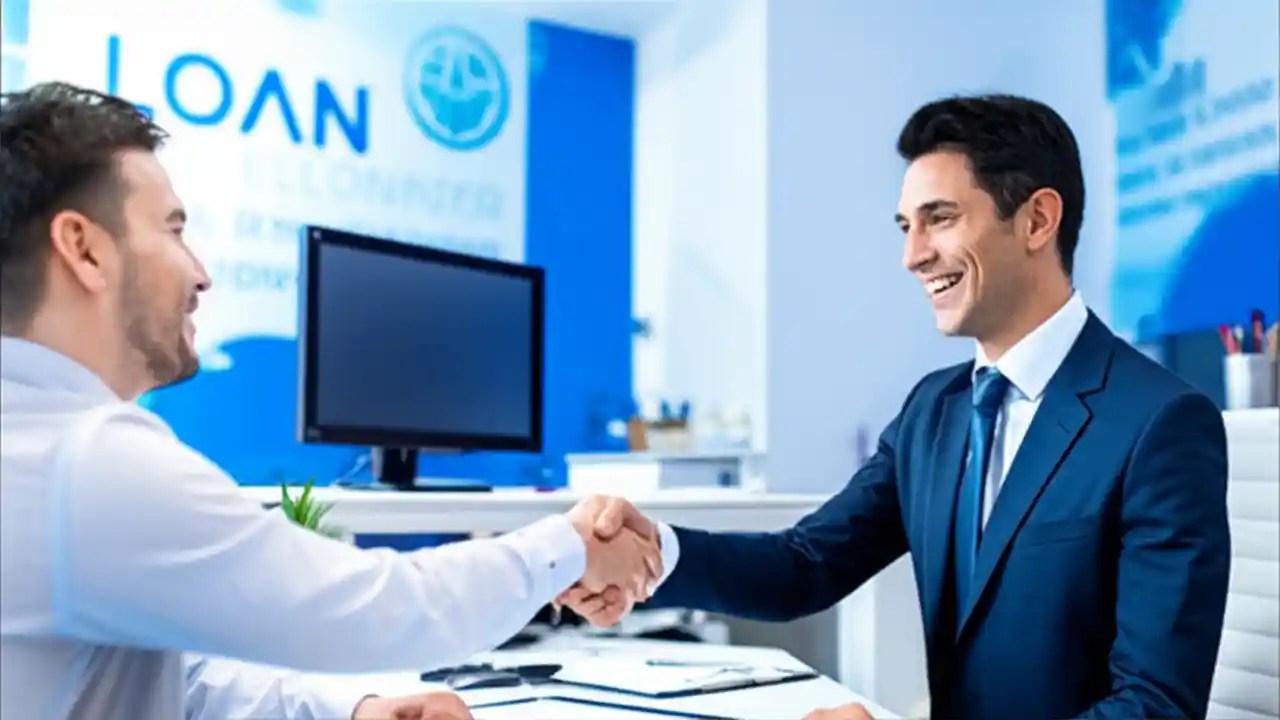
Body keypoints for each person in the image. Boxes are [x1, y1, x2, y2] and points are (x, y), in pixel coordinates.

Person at [0, 81, 668, 719]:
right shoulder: (83, 461)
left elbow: (169, 680)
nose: (200, 273)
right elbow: (381, 611)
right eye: (174, 230)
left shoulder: (38, 446)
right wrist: (572, 545)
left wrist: (351, 707)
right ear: (84, 250)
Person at [558, 94, 1232, 720]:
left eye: (939, 219)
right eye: (906, 226)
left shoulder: (1159, 422)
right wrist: (653, 552)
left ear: (1036, 219)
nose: (913, 256)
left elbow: (1154, 708)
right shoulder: (933, 413)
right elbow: (804, 565)